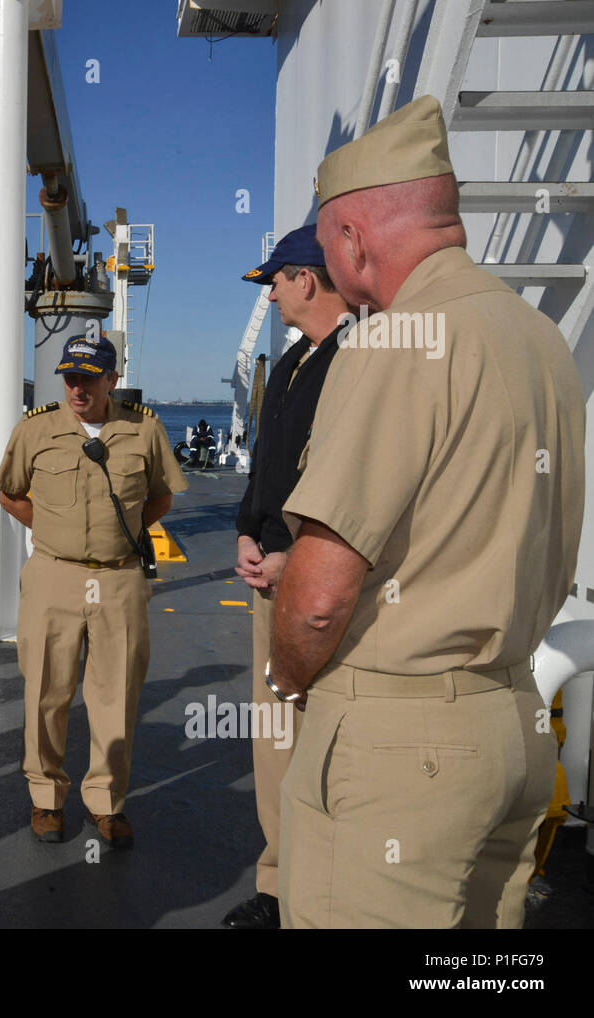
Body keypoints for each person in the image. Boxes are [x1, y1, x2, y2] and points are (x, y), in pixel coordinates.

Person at [269, 96, 583, 928]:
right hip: (513, 721)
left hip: (402, 752)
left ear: (354, 238)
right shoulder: (538, 337)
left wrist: (286, 678)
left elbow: (320, 595)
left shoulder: (392, 343)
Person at [0, 334, 187, 848]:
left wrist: (119, 532)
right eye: (70, 376)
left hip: (120, 577)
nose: (77, 387)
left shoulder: (143, 428)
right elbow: (9, 493)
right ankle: (46, 799)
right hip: (53, 574)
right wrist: (51, 531)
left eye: (89, 377)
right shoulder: (36, 429)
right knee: (44, 691)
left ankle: (106, 803)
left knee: (116, 695)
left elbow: (162, 497)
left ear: (111, 380)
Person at [222, 224, 350, 929]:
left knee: (322, 746)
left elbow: (348, 482)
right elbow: (269, 469)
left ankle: (317, 895)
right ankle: (277, 889)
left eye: (275, 279)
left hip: (315, 582)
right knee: (274, 743)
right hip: (268, 583)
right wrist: (246, 528)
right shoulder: (294, 361)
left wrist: (294, 552)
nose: (270, 293)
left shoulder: (358, 360)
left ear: (307, 277)